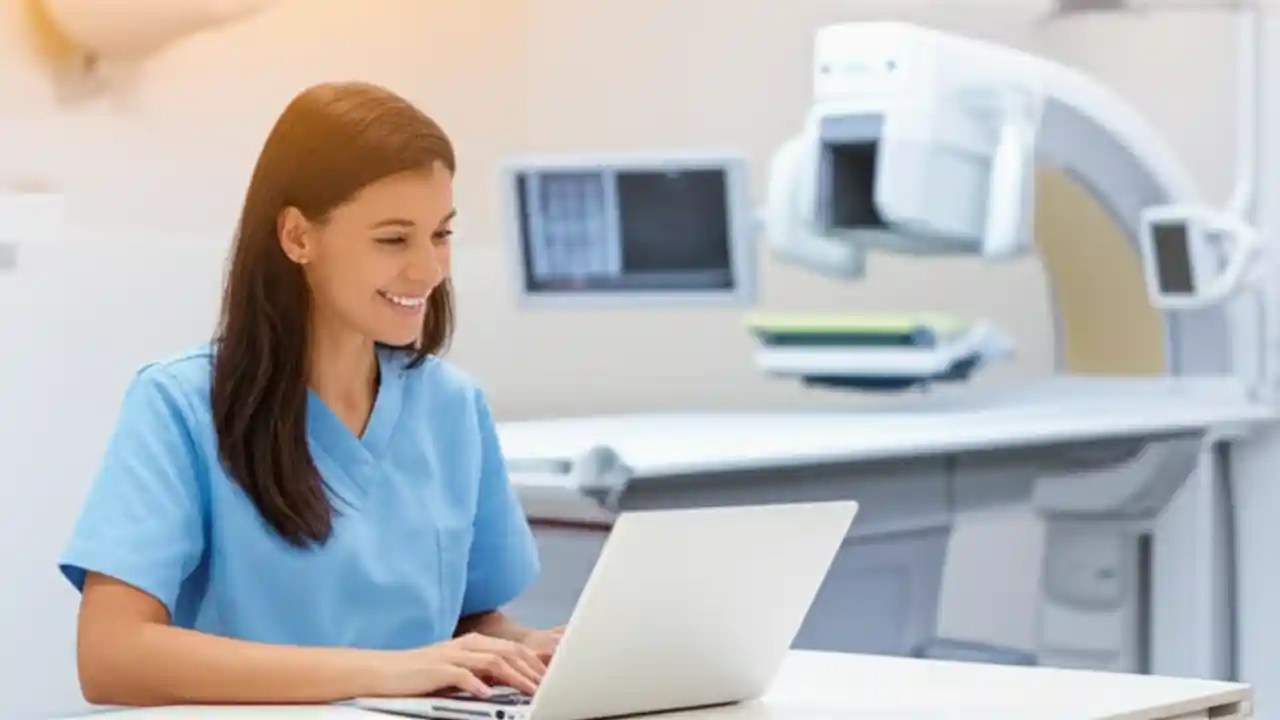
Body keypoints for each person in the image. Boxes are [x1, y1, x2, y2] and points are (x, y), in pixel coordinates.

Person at [58, 81, 562, 707]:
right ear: (298, 237)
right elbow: (113, 656)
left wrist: (529, 651)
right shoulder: (180, 405)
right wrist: (386, 671)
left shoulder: (453, 408)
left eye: (441, 234)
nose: (430, 268)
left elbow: (464, 625)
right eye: (393, 239)